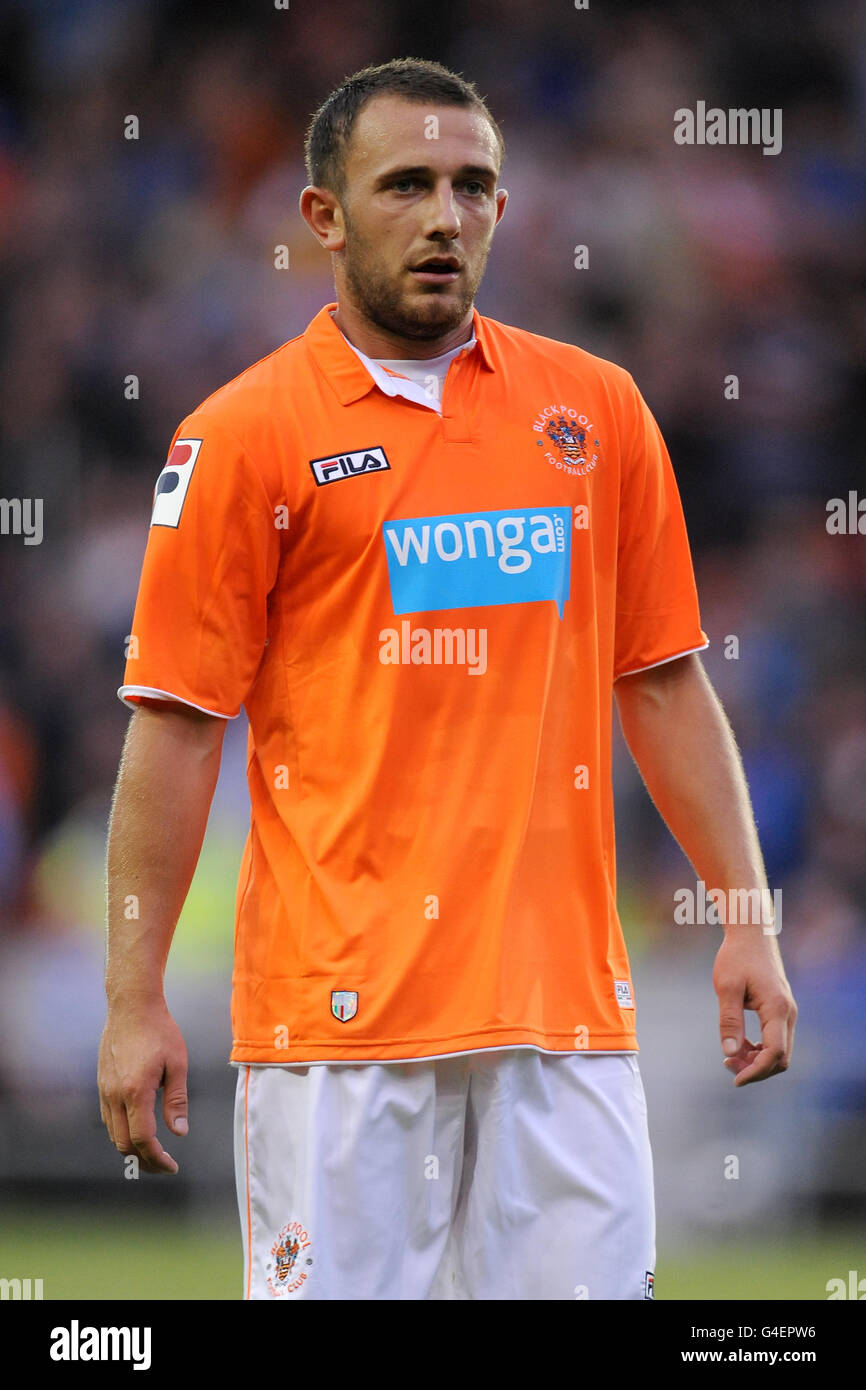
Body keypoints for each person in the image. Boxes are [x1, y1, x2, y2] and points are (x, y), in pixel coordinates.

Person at [98, 56, 797, 1301]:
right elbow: (176, 729)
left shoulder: (596, 412)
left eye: (472, 186)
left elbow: (664, 683)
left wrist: (745, 910)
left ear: (503, 211)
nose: (443, 217)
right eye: (405, 185)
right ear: (323, 216)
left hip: (562, 1018)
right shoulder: (240, 436)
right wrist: (134, 997)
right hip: (337, 1032)